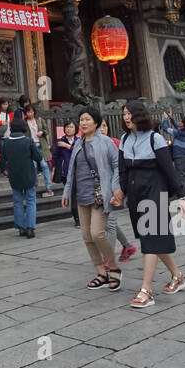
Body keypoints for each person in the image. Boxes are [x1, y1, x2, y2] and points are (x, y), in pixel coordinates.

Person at [118, 101, 185, 308]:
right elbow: (122, 170)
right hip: (135, 194)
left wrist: (182, 196)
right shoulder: (124, 139)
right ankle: (178, 276)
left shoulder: (155, 138)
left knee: (150, 242)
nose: (126, 117)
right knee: (152, 240)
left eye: (130, 114)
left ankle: (146, 291)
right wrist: (120, 192)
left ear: (139, 115)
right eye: (124, 114)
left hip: (155, 192)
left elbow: (170, 170)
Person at [61, 108, 125, 292]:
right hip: (81, 194)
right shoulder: (78, 144)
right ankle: (100, 272)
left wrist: (115, 189)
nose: (83, 123)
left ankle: (113, 267)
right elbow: (71, 170)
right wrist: (66, 192)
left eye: (87, 119)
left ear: (96, 122)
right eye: (81, 120)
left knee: (97, 233)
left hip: (100, 194)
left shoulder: (106, 142)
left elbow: (116, 166)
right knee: (87, 236)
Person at [1, 110, 42, 238]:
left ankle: (21, 227)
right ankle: (30, 228)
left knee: (17, 201)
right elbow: (38, 157)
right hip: (28, 175)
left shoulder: (6, 143)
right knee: (30, 200)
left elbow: (4, 158)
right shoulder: (28, 141)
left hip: (14, 175)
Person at [100, 117, 137, 261]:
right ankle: (128, 246)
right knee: (108, 223)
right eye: (99, 127)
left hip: (116, 189)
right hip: (101, 191)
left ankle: (108, 260)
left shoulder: (115, 143)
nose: (102, 129)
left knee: (109, 224)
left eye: (104, 126)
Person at [163, 114, 185, 202]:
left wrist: (165, 119)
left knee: (181, 179)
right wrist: (171, 118)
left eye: (180, 121)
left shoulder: (178, 133)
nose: (178, 122)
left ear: (183, 124)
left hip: (180, 158)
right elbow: (177, 126)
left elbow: (165, 128)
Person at [23, 105, 54, 196]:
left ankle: (48, 186)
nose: (30, 114)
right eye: (28, 112)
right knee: (34, 166)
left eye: (32, 112)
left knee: (44, 165)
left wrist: (42, 132)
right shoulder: (24, 123)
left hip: (41, 146)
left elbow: (47, 130)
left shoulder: (39, 120)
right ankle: (34, 185)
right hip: (31, 147)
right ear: (26, 113)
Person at [53, 121, 77, 225]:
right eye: (67, 127)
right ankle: (77, 218)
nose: (68, 129)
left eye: (71, 127)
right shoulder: (60, 141)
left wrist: (67, 146)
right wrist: (53, 170)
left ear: (75, 129)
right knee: (71, 195)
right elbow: (55, 157)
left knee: (78, 195)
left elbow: (78, 152)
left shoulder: (79, 141)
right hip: (65, 172)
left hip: (78, 171)